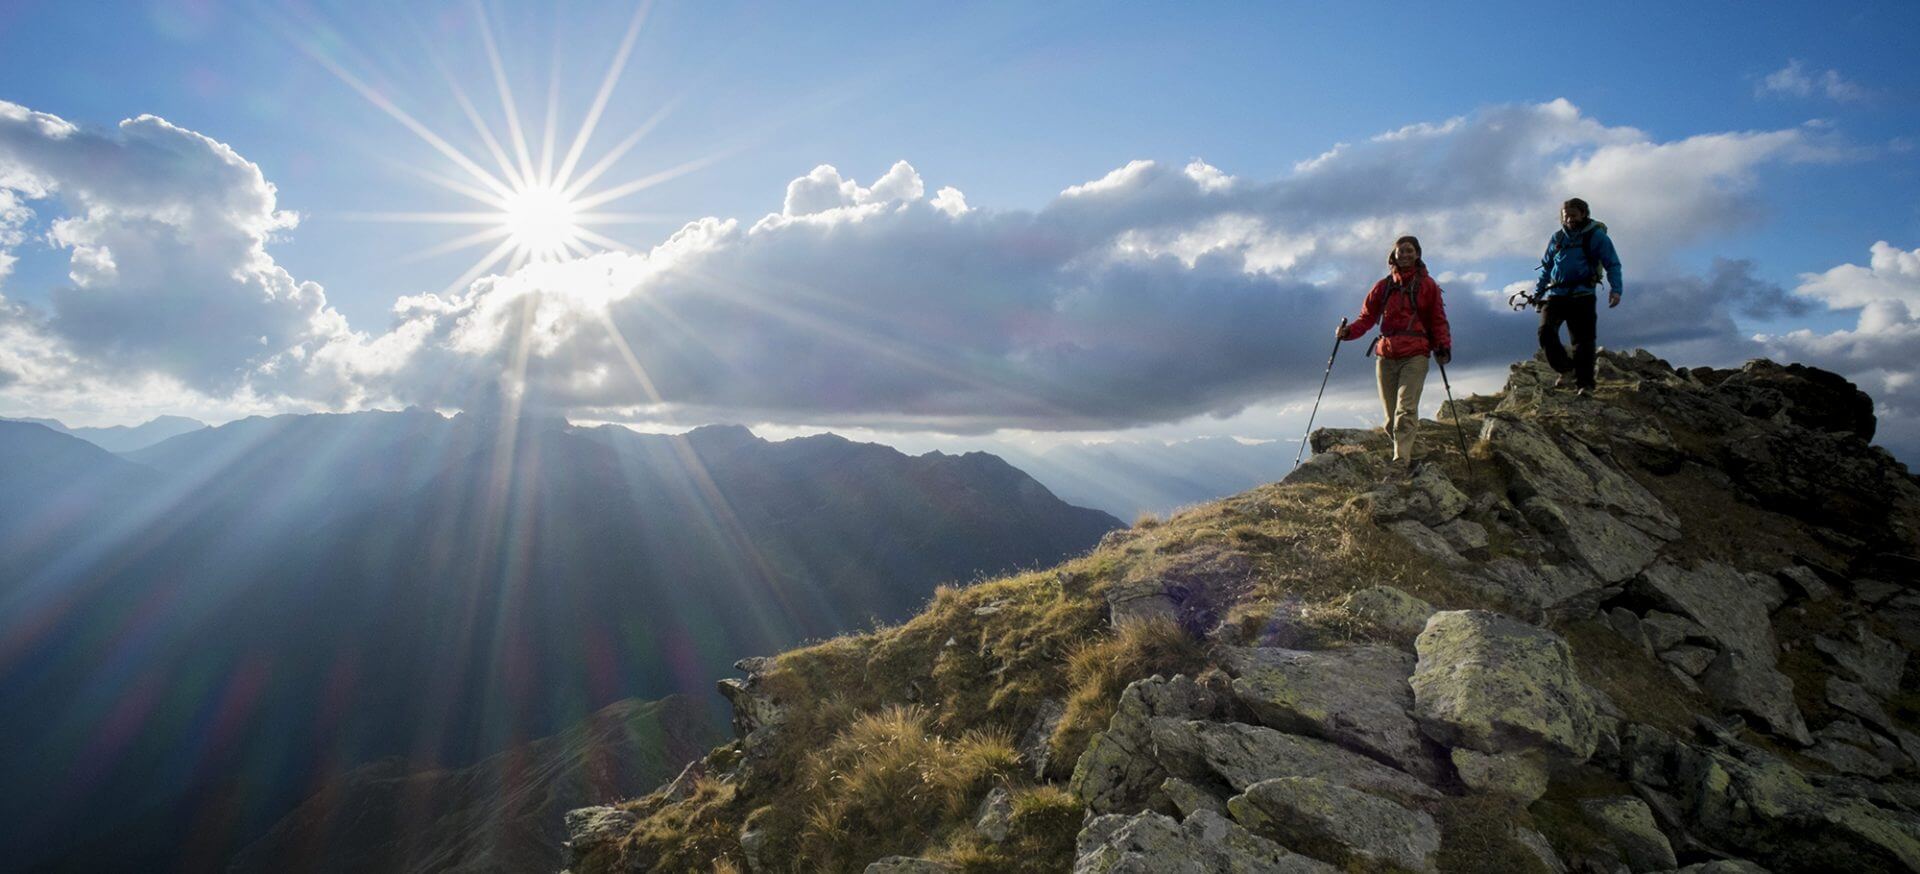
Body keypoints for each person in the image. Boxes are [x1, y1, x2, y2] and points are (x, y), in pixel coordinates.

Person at [1337, 235, 1452, 477]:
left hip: (1416, 354)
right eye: (1401, 251)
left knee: (1405, 411)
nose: (1405, 255)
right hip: (1386, 354)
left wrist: (1442, 347)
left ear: (1418, 254)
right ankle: (1417, 451)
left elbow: (1437, 319)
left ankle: (1400, 463)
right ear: (1394, 256)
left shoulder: (1428, 286)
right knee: (1390, 421)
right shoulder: (1383, 286)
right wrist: (1347, 333)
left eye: (1410, 251)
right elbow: (1366, 318)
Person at [1532, 197, 1622, 396]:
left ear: (1583, 214)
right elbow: (1546, 267)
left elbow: (1612, 263)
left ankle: (1585, 385)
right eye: (1566, 216)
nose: (1570, 219)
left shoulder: (1596, 237)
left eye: (1573, 215)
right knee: (1545, 331)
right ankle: (1566, 369)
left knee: (1583, 341)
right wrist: (1538, 292)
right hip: (1556, 294)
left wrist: (1616, 289)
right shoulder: (1557, 239)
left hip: (1583, 294)